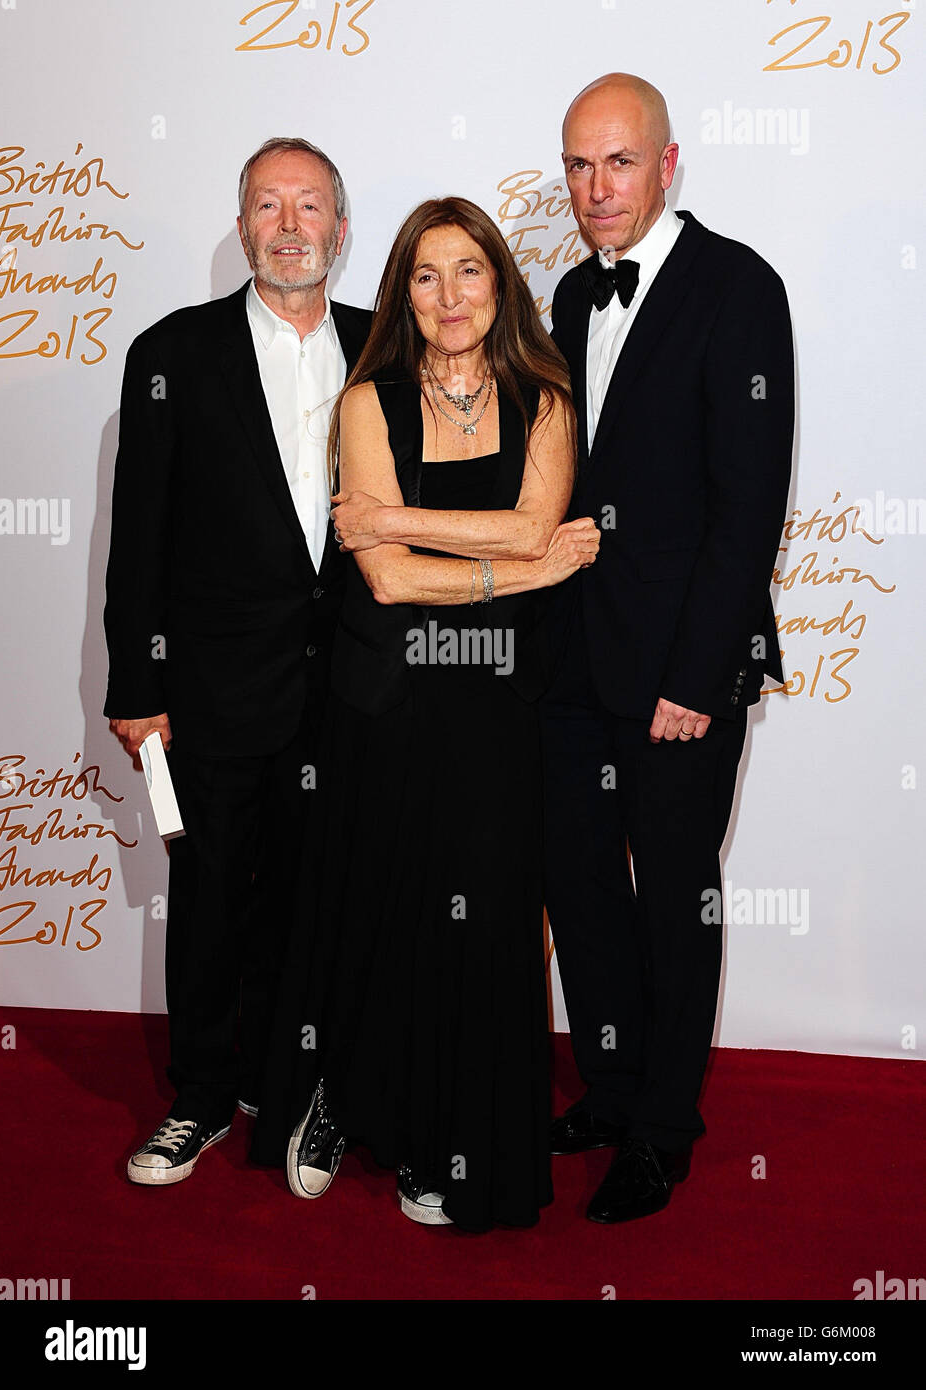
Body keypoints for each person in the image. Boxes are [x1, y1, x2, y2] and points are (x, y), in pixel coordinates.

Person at [251, 196, 600, 1231]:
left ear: (501, 282)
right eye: (424, 275)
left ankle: (454, 1136)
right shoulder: (370, 400)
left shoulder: (543, 392)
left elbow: (535, 522)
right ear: (401, 291)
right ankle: (349, 1105)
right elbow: (394, 587)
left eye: (469, 272)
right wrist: (518, 566)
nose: (449, 297)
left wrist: (398, 518)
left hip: (498, 704)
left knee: (484, 923)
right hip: (388, 696)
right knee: (384, 911)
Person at [542, 74, 794, 1222]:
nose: (597, 189)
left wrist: (696, 679)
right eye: (580, 167)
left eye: (619, 163)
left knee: (672, 899)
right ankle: (609, 1083)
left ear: (668, 162)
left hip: (681, 675)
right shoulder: (562, 296)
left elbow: (749, 507)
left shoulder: (739, 288)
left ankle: (662, 1129)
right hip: (576, 664)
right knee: (582, 890)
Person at [104, 137, 371, 1186]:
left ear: (341, 232)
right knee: (210, 898)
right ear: (243, 225)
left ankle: (292, 1082)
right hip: (212, 693)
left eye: (311, 206)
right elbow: (140, 538)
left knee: (318, 900)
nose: (291, 224)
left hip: (351, 693)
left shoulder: (383, 347)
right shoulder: (171, 354)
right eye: (270, 204)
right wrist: (136, 685)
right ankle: (201, 1098)